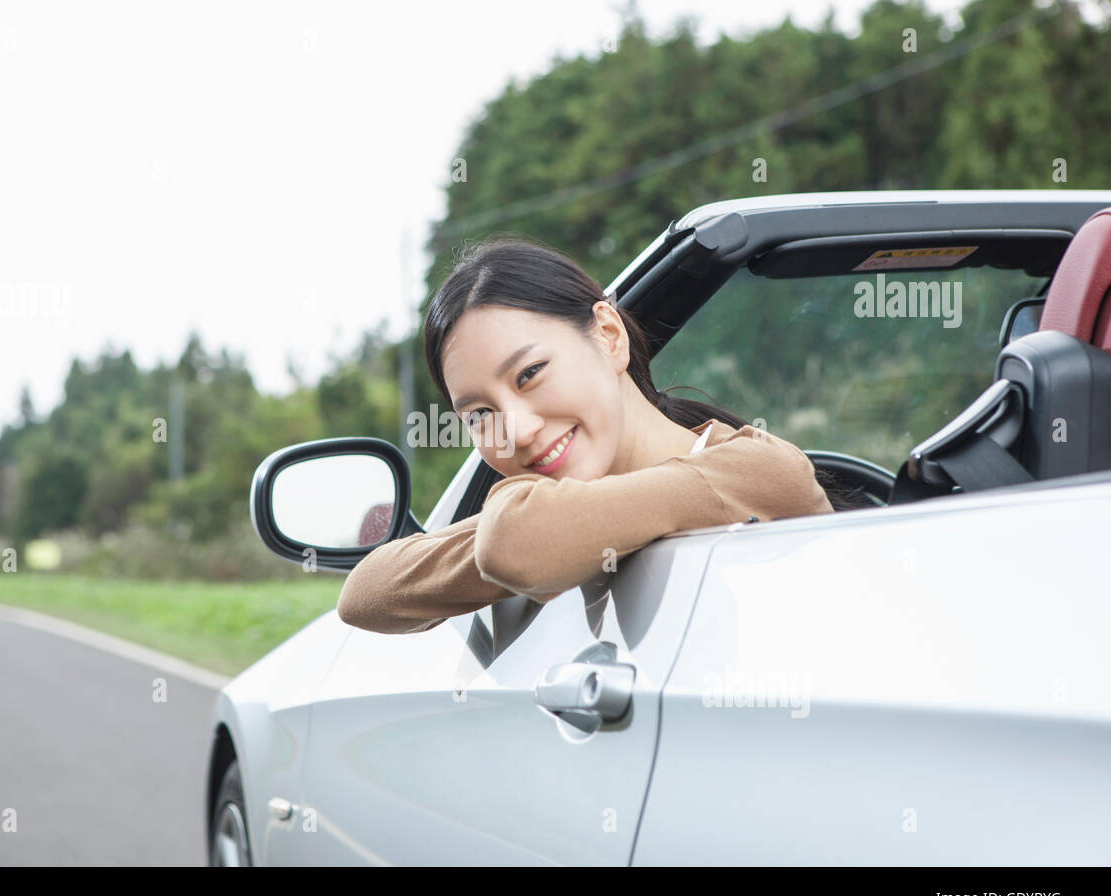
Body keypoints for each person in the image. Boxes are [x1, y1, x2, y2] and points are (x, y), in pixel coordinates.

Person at [336, 236, 857, 634]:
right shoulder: (580, 509)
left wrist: (539, 524)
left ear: (609, 336)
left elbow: (517, 542)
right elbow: (366, 592)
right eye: (479, 415)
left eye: (530, 373)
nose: (516, 430)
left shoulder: (754, 469)